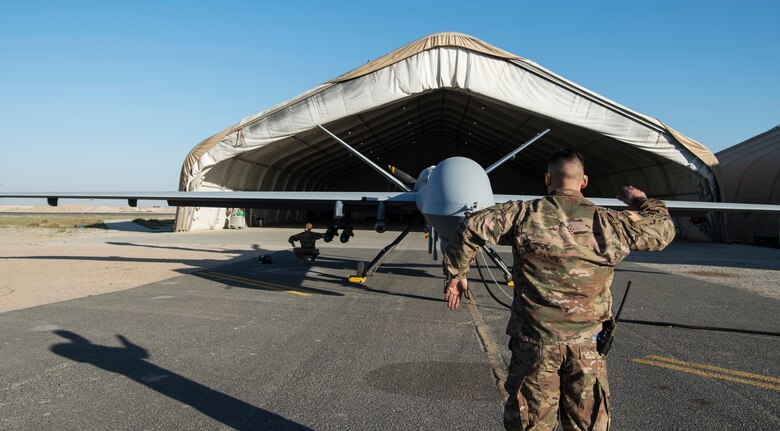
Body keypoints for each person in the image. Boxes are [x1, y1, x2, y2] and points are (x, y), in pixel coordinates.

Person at [442, 149, 675, 431]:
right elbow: (662, 229)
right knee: (586, 425)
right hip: (587, 346)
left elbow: (471, 225)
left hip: (535, 344)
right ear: (584, 181)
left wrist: (457, 273)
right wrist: (638, 200)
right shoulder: (610, 222)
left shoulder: (523, 214)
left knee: (532, 425)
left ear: (548, 179)